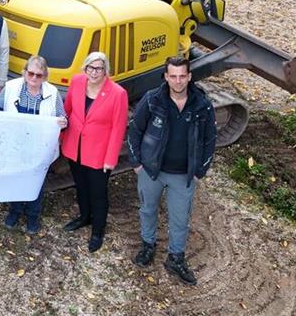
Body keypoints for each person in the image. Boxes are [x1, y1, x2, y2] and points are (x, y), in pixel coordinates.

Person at [127, 55, 217, 286]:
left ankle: (176, 258)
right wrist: (137, 163)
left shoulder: (202, 105)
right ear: (166, 77)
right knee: (148, 210)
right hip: (151, 171)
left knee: (180, 219)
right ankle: (148, 246)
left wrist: (200, 171)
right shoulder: (152, 100)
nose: (178, 81)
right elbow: (134, 131)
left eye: (182, 76)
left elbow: (210, 140)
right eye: (173, 76)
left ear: (189, 77)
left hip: (183, 175)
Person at [60, 52, 129, 253]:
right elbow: (68, 110)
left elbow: (118, 128)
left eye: (98, 68)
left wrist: (111, 158)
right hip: (75, 147)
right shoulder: (77, 81)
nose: (94, 72)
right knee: (80, 186)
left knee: (98, 193)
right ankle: (84, 217)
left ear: (106, 70)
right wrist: (62, 136)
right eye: (90, 67)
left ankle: (98, 231)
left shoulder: (117, 93)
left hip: (99, 153)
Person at [0, 56, 68, 235]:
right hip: (15, 145)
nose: (34, 78)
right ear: (24, 72)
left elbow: (63, 117)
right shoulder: (11, 88)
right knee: (16, 180)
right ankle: (15, 210)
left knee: (37, 182)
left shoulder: (53, 94)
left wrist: (63, 122)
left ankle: (33, 216)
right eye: (31, 73)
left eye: (39, 75)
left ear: (45, 77)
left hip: (40, 148)